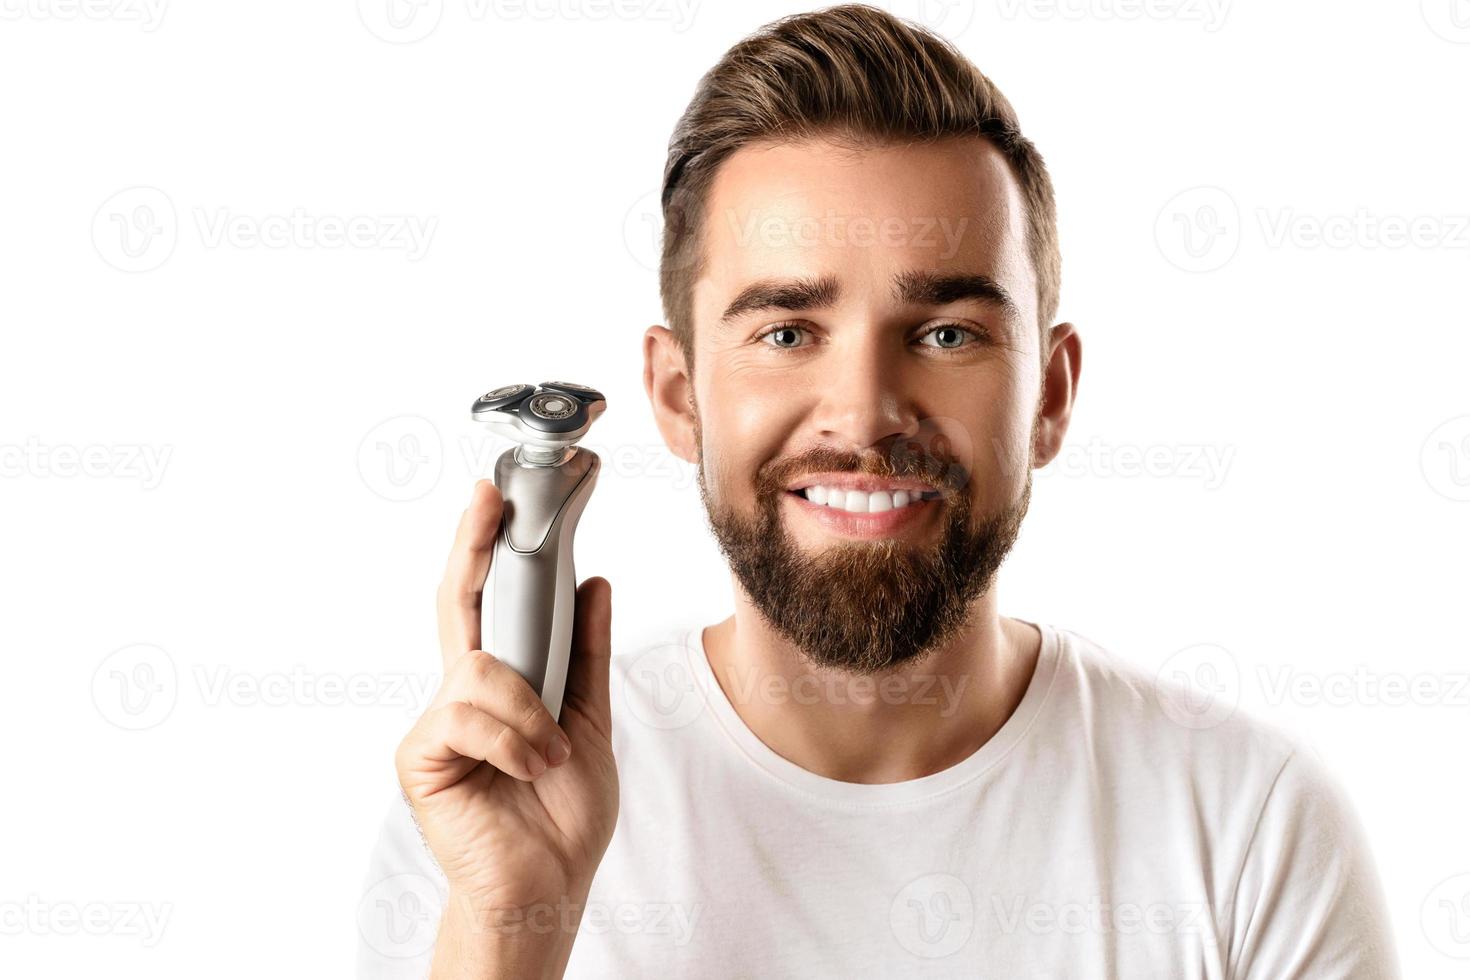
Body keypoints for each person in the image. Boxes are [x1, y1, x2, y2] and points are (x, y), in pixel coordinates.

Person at [358, 5, 1400, 977]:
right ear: (679, 396)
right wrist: (510, 919)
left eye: (946, 333)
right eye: (786, 332)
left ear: (1053, 393)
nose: (861, 417)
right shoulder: (477, 825)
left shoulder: (1251, 830)